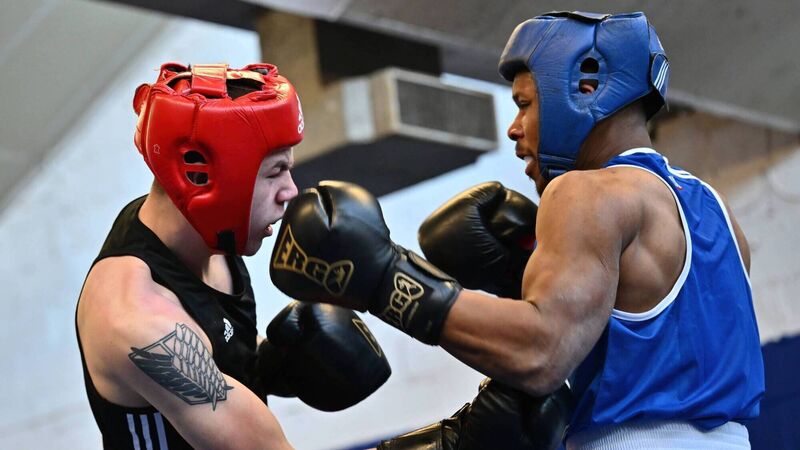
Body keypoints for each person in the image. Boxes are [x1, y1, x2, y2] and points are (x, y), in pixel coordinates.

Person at [269, 11, 765, 449]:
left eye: (525, 103)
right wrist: (516, 282)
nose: (514, 127)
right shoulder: (717, 211)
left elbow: (542, 353)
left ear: (584, 89)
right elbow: (651, 351)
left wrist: (383, 277)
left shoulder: (584, 193)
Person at [75, 62, 393, 449]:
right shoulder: (139, 322)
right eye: (275, 171)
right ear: (205, 179)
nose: (290, 191)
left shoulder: (198, 230)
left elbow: (209, 330)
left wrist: (267, 362)